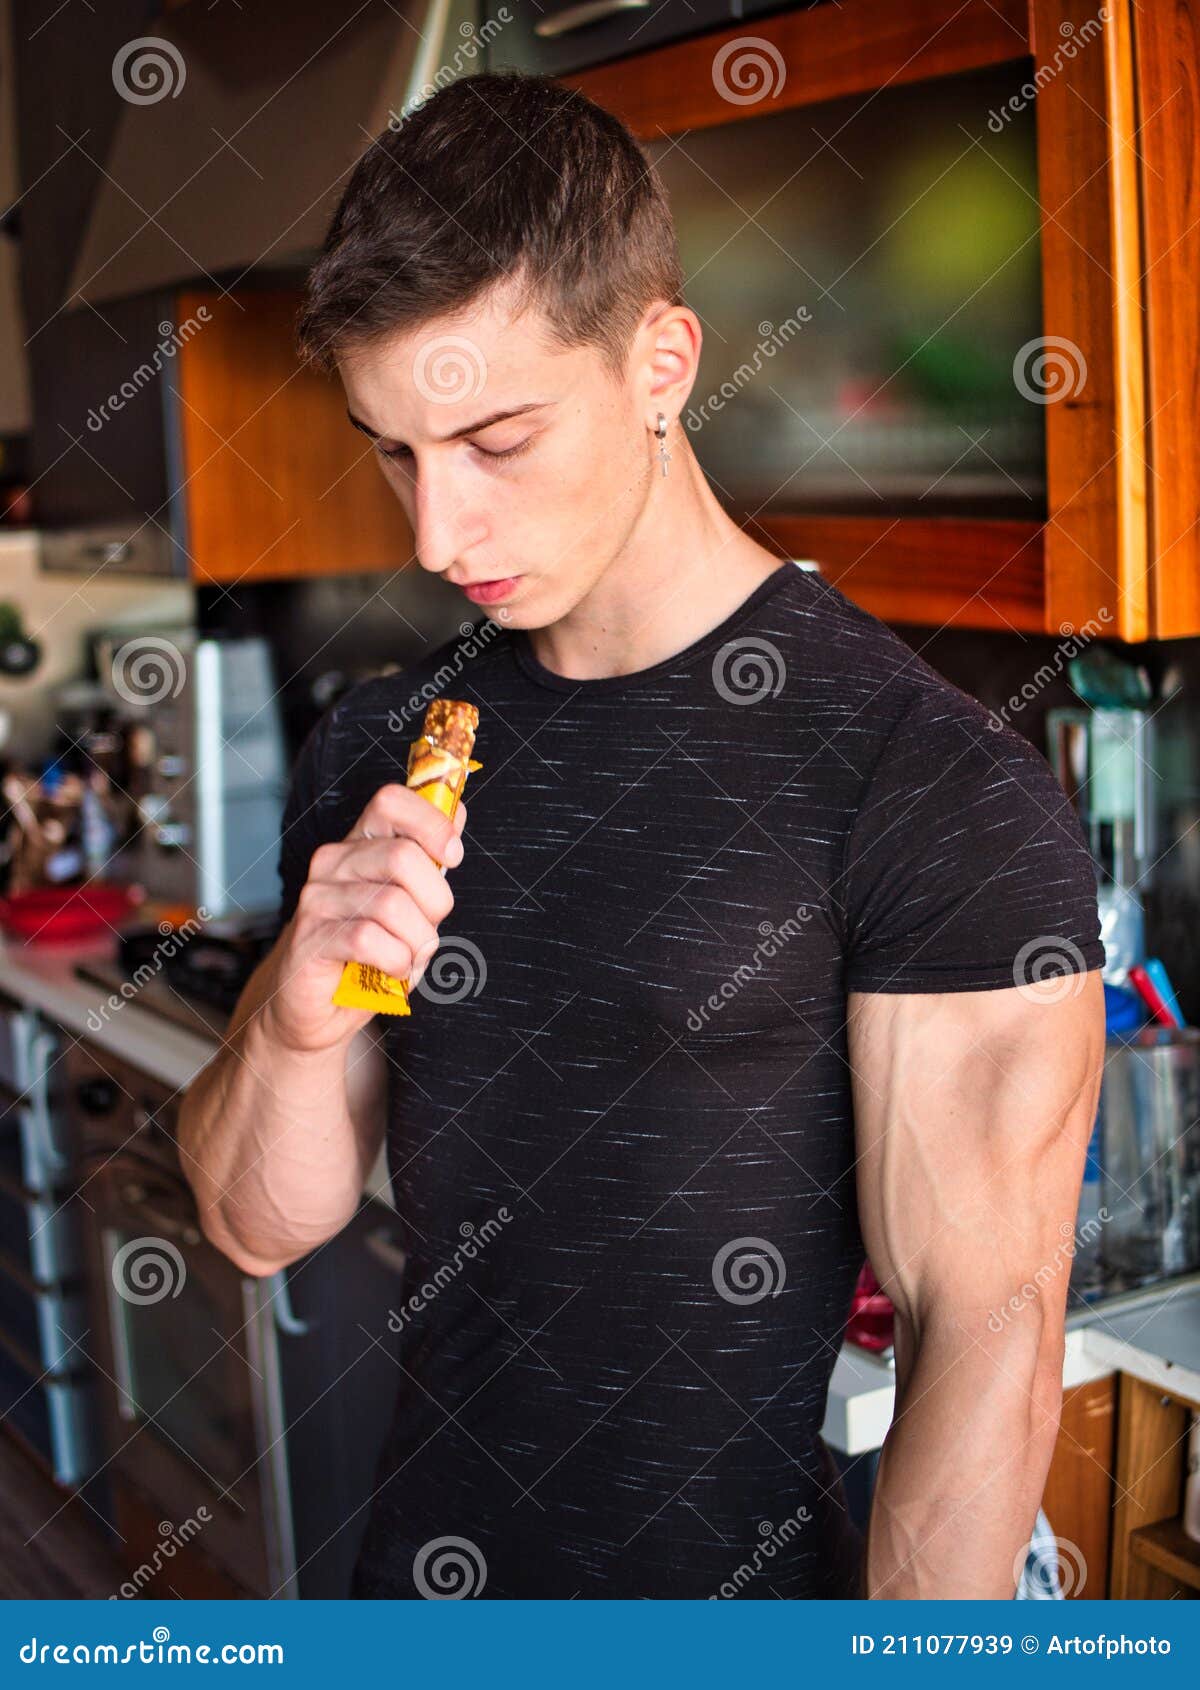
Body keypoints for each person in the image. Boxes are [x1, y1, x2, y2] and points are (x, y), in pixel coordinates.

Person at [177, 71, 1106, 1600]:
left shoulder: (924, 779)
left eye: (496, 440)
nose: (434, 533)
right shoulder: (385, 749)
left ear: (661, 362)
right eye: (396, 450)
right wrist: (288, 1015)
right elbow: (258, 1224)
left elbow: (986, 1343)